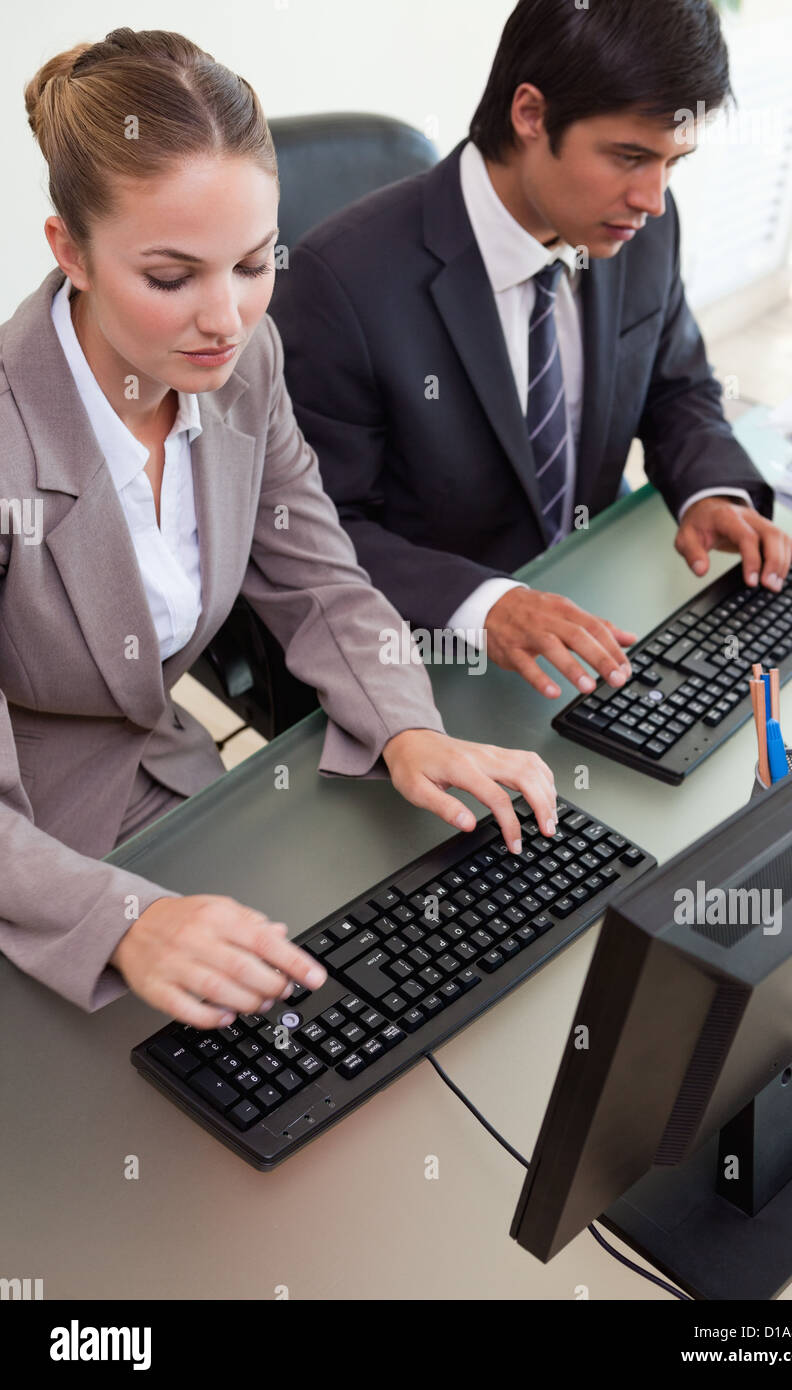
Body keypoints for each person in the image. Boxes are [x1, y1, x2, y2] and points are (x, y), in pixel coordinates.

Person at [0, 27, 558, 1029]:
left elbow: (318, 578)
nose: (225, 315)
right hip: (27, 852)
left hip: (170, 779)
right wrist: (118, 917)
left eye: (254, 263)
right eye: (171, 278)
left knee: (332, 1012)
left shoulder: (244, 364)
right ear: (69, 253)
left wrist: (408, 726)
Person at [277, 0, 792, 705]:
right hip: (433, 658)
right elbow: (315, 532)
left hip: (592, 611)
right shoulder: (340, 282)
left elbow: (676, 386)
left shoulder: (640, 227)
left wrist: (710, 489)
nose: (652, 197)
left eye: (673, 163)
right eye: (629, 157)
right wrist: (486, 604)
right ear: (531, 115)